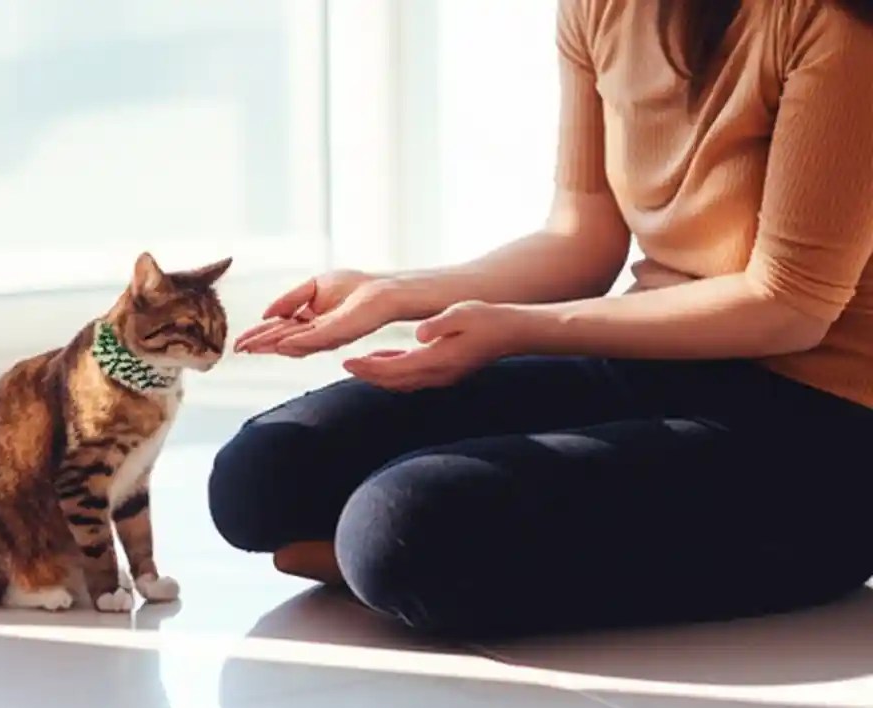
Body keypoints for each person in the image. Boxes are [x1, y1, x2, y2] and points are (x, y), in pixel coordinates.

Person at [207, 0, 873, 639]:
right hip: (655, 359)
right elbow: (580, 238)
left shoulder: (835, 23)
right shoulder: (599, 7)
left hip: (818, 427)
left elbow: (788, 308)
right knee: (262, 478)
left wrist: (518, 328)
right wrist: (394, 292)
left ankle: (381, 552)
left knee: (400, 529)